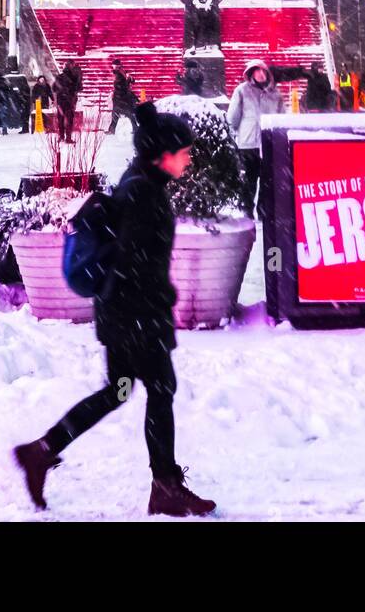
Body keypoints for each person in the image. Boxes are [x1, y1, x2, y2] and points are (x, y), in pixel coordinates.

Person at [14, 102, 215, 518]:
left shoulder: (140, 183)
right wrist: (157, 303)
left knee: (119, 390)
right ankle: (165, 486)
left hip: (124, 314)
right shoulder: (143, 194)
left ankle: (43, 450)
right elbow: (133, 262)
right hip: (136, 317)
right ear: (162, 155)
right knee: (160, 391)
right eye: (184, 152)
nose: (189, 159)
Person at [227, 58, 283, 217]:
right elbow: (232, 117)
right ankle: (247, 210)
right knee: (249, 180)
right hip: (248, 143)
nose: (260, 74)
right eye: (256, 71)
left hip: (268, 143)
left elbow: (281, 116)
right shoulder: (242, 91)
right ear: (251, 74)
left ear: (267, 73)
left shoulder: (275, 93)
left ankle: (263, 210)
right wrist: (234, 133)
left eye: (262, 70)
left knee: (268, 180)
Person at [54, 61, 82, 143]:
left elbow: (54, 88)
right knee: (69, 120)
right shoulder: (74, 78)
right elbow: (79, 88)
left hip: (60, 101)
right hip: (70, 101)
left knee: (61, 119)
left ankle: (61, 136)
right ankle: (68, 137)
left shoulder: (59, 77)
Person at [109, 58, 138, 134]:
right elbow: (131, 82)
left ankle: (135, 128)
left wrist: (128, 80)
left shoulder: (120, 74)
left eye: (114, 66)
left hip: (121, 97)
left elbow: (123, 85)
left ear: (117, 66)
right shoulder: (122, 72)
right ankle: (112, 130)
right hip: (121, 96)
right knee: (118, 113)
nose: (113, 67)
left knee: (125, 113)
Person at [4, 61, 31, 134]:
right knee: (23, 115)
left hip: (22, 101)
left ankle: (24, 128)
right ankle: (24, 128)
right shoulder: (23, 82)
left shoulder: (21, 83)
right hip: (22, 101)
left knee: (24, 115)